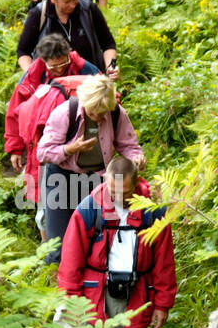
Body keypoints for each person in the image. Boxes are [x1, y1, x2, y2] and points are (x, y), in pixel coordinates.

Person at [58, 155, 176, 328]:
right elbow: (70, 261)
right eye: (113, 191)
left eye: (124, 192)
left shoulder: (153, 213)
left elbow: (164, 262)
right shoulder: (89, 209)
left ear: (136, 184)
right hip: (94, 295)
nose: (118, 197)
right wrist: (71, 304)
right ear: (105, 181)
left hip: (138, 295)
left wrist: (162, 304)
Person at [37, 76, 143, 261]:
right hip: (62, 178)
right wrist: (71, 148)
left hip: (98, 178)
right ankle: (56, 285)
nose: (98, 116)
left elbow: (128, 145)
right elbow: (43, 152)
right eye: (94, 112)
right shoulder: (64, 113)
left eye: (103, 112)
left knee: (97, 239)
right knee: (58, 247)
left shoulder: (116, 113)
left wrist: (136, 158)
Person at [6, 35, 102, 231]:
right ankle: (49, 253)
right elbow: (16, 112)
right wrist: (15, 149)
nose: (59, 70)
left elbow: (106, 98)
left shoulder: (86, 69)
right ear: (42, 61)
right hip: (43, 149)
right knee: (46, 207)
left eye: (63, 64)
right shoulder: (33, 76)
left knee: (84, 202)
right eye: (53, 67)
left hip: (85, 147)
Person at [16, 0, 118, 78]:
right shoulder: (38, 14)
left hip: (90, 82)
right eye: (66, 2)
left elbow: (108, 44)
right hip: (51, 85)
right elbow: (23, 51)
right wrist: (32, 75)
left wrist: (110, 67)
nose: (73, 5)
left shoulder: (89, 10)